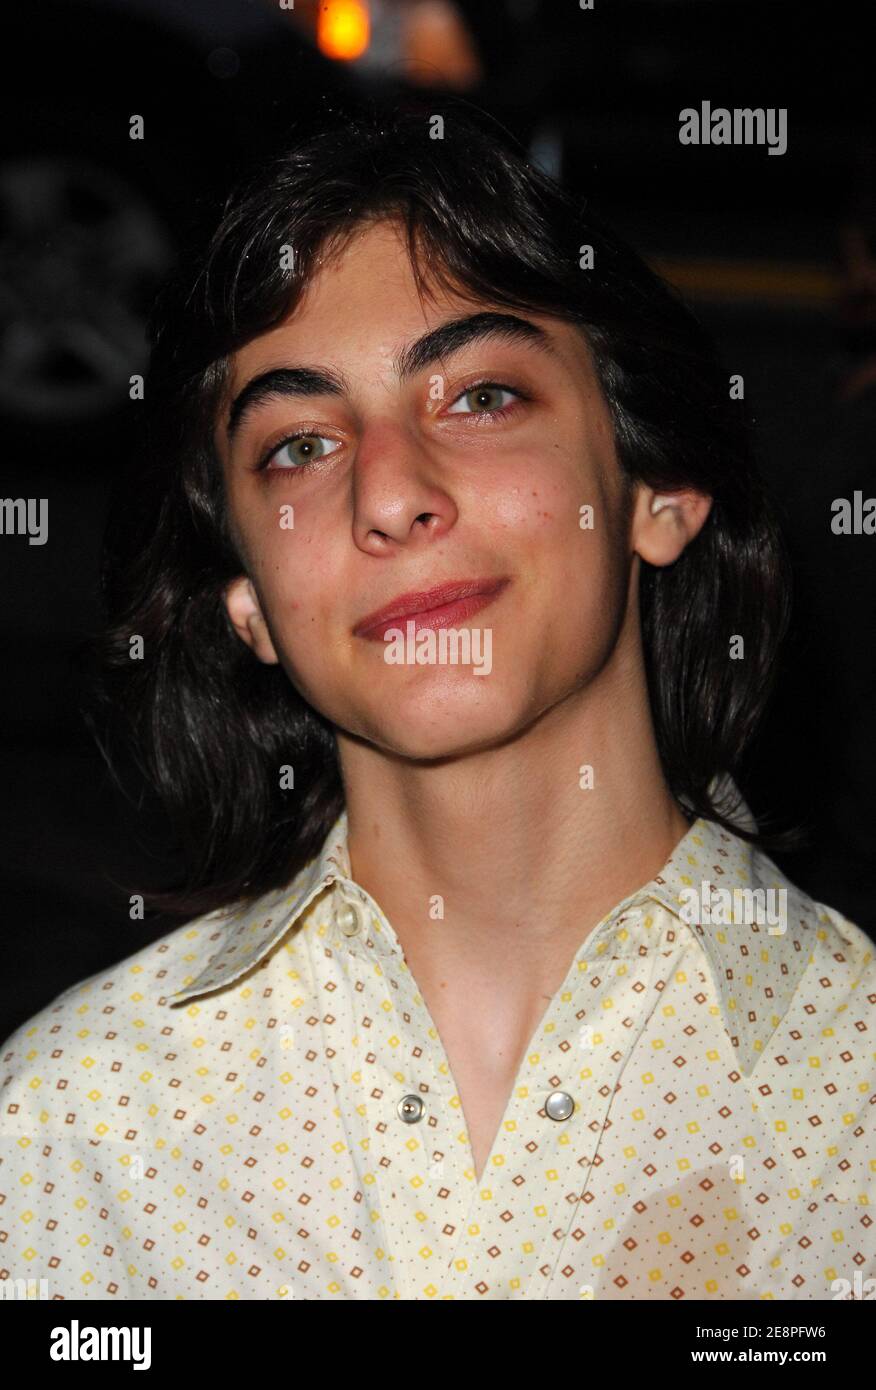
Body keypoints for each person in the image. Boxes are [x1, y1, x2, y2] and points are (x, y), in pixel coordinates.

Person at [1, 105, 873, 1302]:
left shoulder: (853, 1095)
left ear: (658, 493)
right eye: (298, 444)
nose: (392, 492)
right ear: (245, 599)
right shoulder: (68, 1131)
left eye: (480, 397)